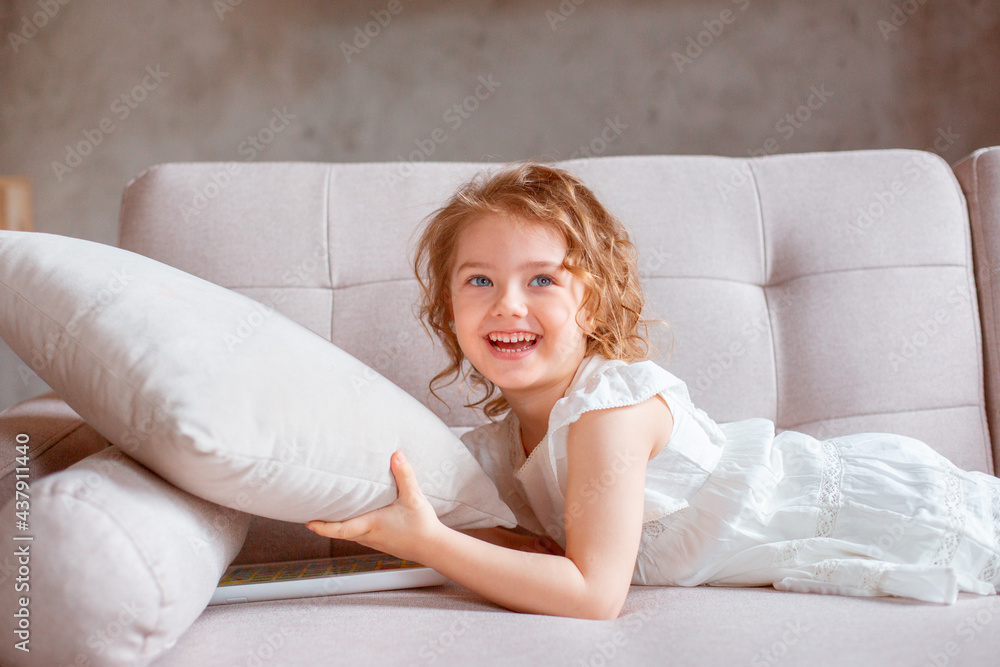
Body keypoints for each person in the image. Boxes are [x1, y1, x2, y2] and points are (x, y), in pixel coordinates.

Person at [306, 161, 1000, 619]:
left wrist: (430, 542)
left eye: (543, 279)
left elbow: (594, 593)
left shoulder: (610, 411)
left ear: (597, 306)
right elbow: (527, 544)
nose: (508, 304)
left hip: (844, 501)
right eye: (478, 280)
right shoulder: (497, 445)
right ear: (448, 312)